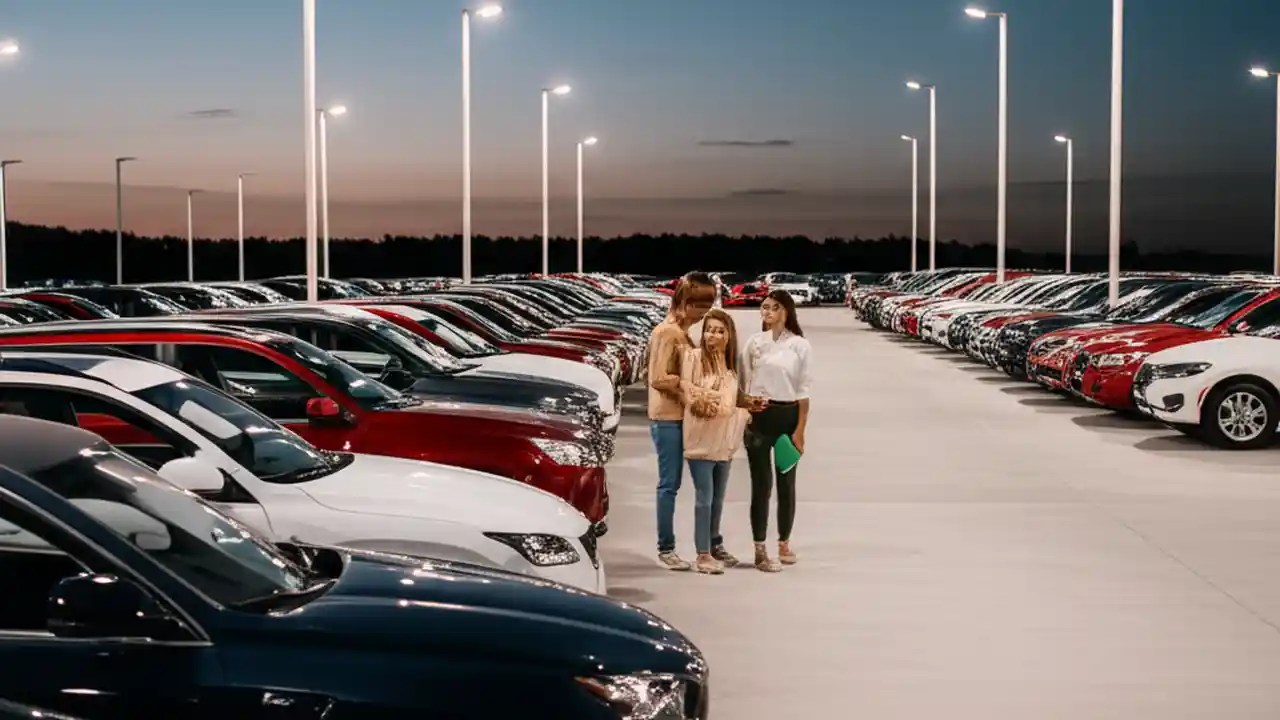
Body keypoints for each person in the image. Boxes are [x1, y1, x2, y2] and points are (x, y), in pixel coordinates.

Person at [648, 272, 717, 570]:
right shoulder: (668, 333)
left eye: (708, 305)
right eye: (700, 306)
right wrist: (689, 386)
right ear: (685, 302)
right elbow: (658, 378)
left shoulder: (683, 333)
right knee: (669, 484)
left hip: (682, 417)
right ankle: (666, 547)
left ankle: (700, 545)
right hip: (667, 418)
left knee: (687, 484)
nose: (703, 313)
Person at [741, 289, 813, 573]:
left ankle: (784, 541)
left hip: (787, 419)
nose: (767, 312)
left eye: (773, 308)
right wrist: (746, 409)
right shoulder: (754, 343)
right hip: (760, 419)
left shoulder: (799, 346)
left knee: (786, 484)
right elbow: (743, 379)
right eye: (764, 308)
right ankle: (760, 547)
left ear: (786, 311)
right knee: (761, 486)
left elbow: (804, 391)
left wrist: (800, 430)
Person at [679, 309, 756, 574]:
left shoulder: (728, 363)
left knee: (718, 499)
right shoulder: (693, 357)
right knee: (704, 498)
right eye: (709, 329)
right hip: (701, 438)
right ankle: (702, 555)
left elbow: (731, 397)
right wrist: (707, 399)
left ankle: (714, 544)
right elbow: (688, 390)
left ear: (728, 336)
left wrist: (750, 402)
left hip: (725, 440)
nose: (713, 334)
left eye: (720, 330)